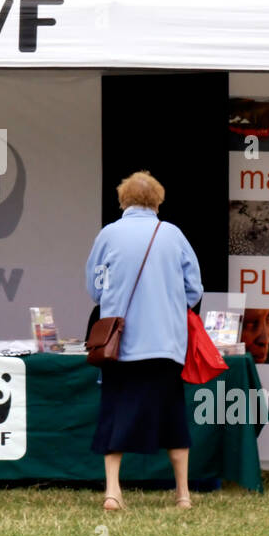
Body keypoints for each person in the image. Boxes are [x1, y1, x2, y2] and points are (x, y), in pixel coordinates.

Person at [84, 171, 202, 512]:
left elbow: (95, 289)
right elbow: (194, 290)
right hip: (166, 344)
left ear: (123, 200)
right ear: (158, 201)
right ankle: (182, 494)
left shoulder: (108, 235)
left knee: (114, 413)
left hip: (120, 346)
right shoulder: (173, 235)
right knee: (173, 416)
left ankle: (112, 491)